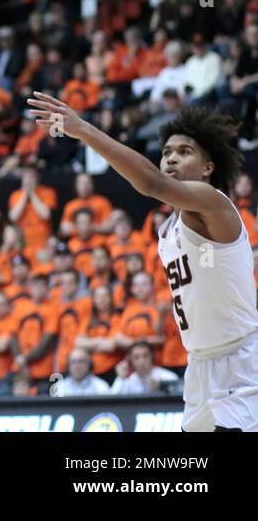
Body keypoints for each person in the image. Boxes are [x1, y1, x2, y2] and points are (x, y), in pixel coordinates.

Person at [30, 94, 258, 430]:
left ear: (208, 167)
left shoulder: (214, 203)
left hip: (240, 360)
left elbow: (151, 183)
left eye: (184, 152)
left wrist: (84, 131)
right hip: (200, 363)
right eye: (166, 152)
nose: (171, 159)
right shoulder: (168, 229)